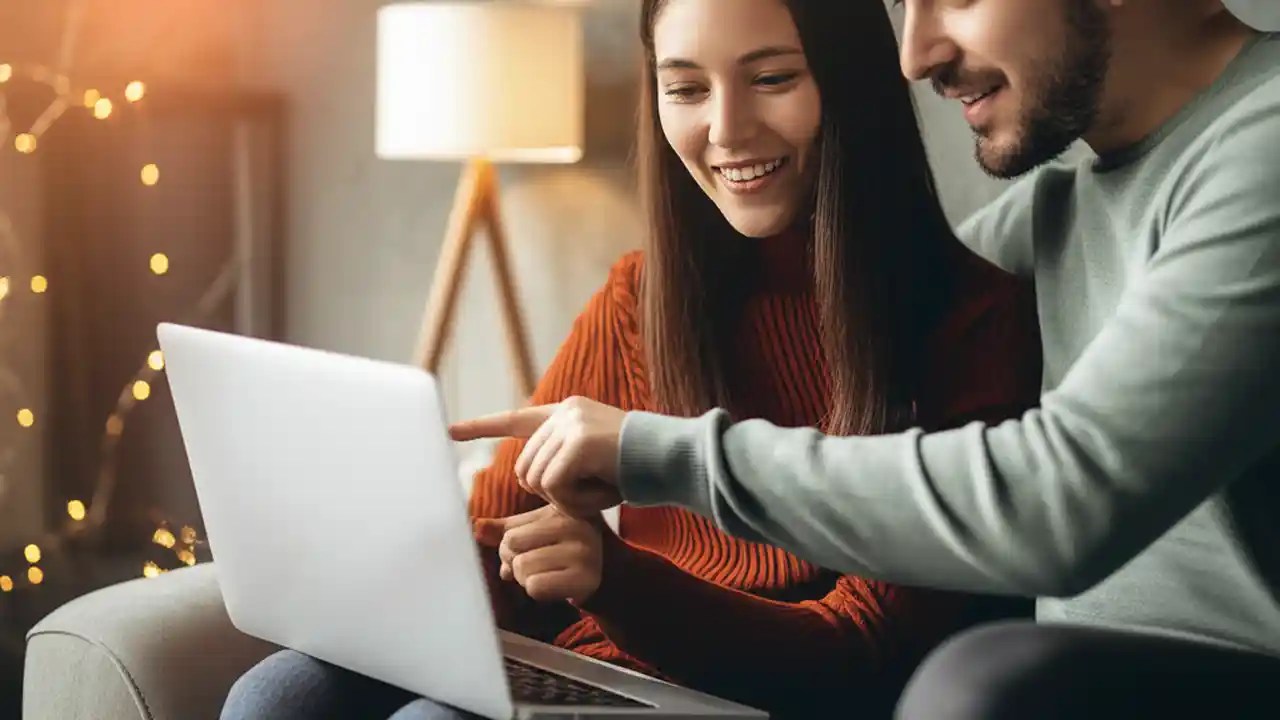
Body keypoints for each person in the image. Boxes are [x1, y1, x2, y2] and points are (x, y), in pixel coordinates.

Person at [450, 1, 1280, 717]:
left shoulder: (1263, 148)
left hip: (1216, 670)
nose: (916, 57)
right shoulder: (1063, 206)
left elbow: (1057, 501)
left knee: (984, 682)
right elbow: (877, 292)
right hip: (1074, 666)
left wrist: (660, 454)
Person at [222, 1, 1042, 718]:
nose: (725, 130)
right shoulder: (640, 298)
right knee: (278, 694)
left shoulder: (968, 322)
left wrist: (613, 580)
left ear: (850, 82)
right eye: (686, 88)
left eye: (772, 79)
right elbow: (499, 533)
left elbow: (867, 651)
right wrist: (370, 568)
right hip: (609, 675)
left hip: (774, 693)